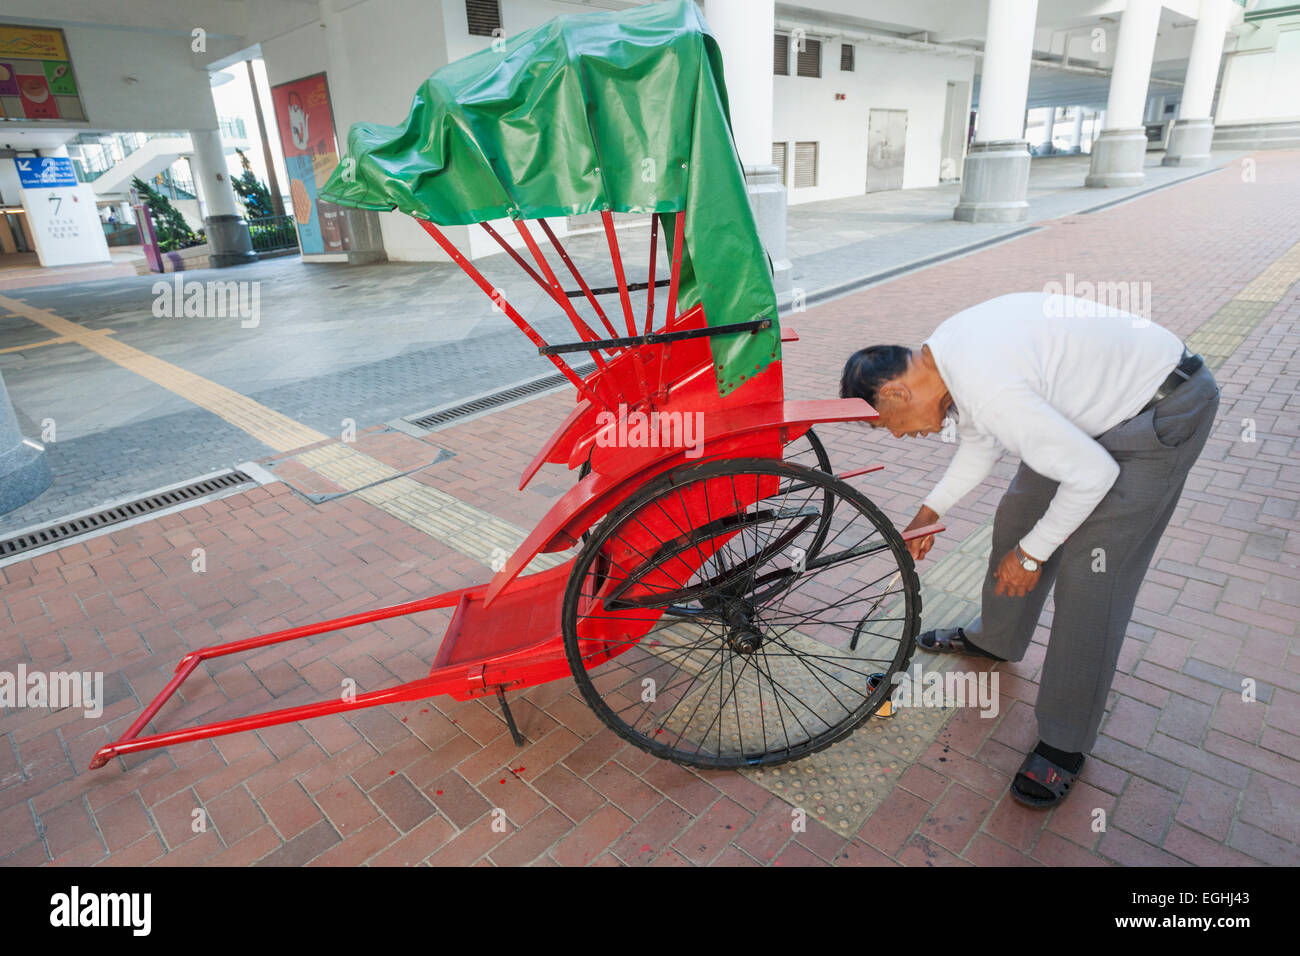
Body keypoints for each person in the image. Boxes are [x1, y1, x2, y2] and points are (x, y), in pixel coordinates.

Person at [840, 291, 1219, 807]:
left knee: (1094, 578)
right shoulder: (943, 360)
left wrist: (1033, 554)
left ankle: (1065, 741)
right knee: (1018, 514)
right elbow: (981, 439)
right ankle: (997, 637)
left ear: (897, 394)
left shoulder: (989, 386)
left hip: (1161, 409)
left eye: (884, 424)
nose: (897, 435)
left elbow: (1093, 474)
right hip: (1084, 412)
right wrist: (932, 510)